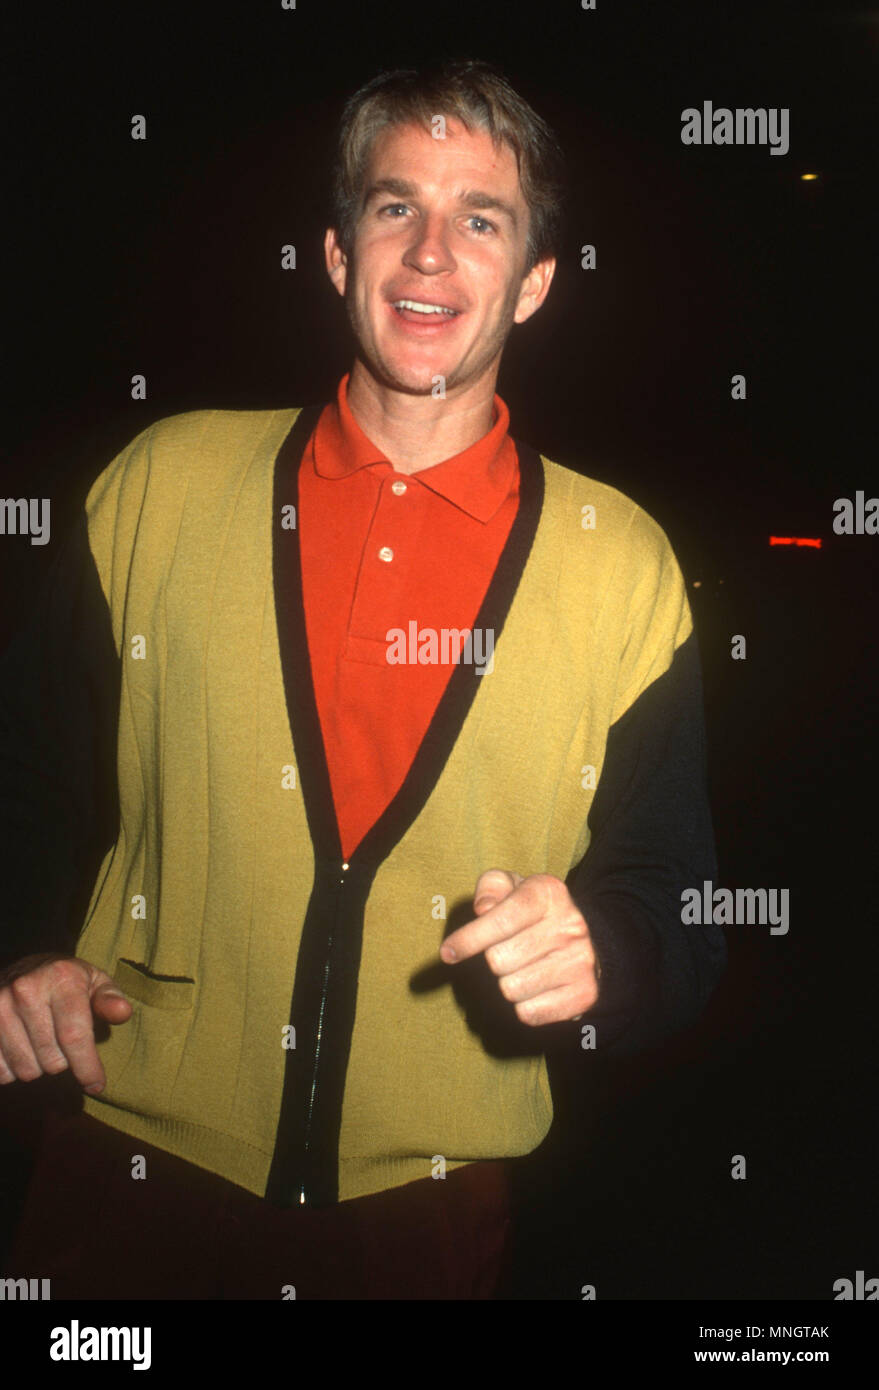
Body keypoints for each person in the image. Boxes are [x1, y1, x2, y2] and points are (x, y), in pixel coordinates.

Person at [0, 58, 726, 1300]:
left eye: (480, 220)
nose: (432, 254)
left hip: (430, 1212)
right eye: (396, 207)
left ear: (536, 282)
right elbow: (27, 767)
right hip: (122, 1169)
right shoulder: (159, 485)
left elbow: (681, 903)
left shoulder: (627, 565)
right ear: (339, 257)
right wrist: (17, 945)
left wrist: (605, 948)